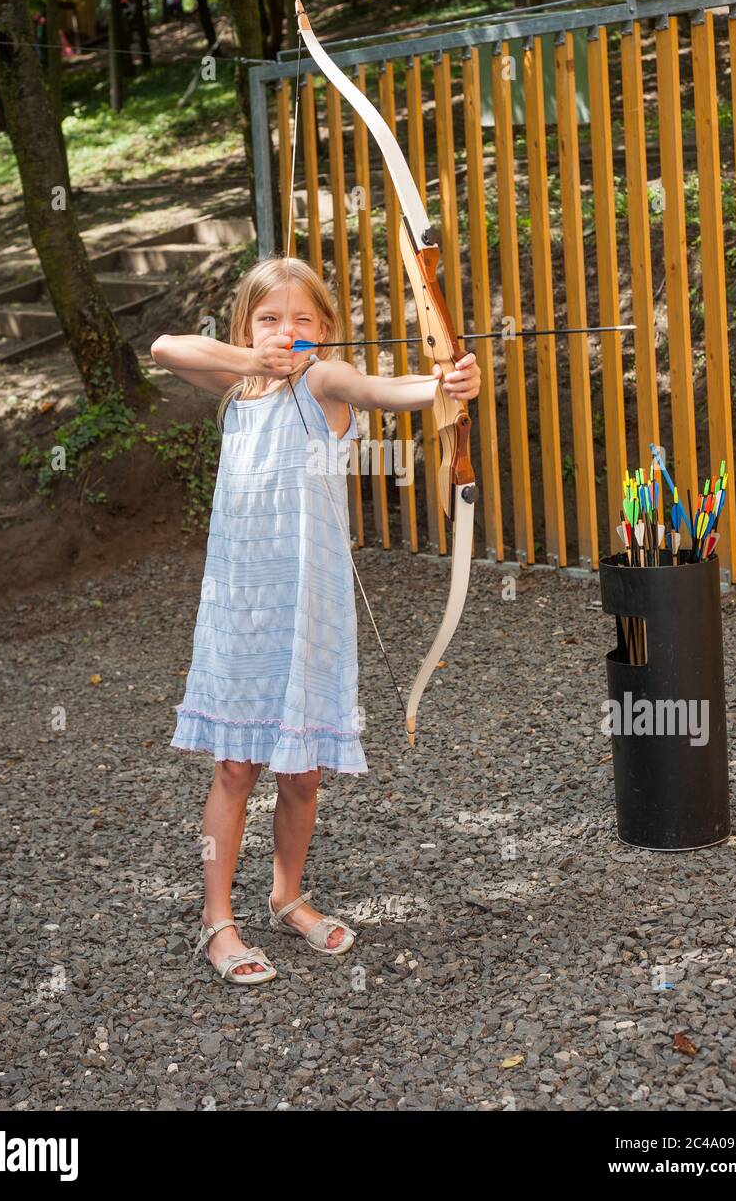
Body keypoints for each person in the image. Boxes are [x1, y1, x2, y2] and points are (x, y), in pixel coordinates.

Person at [150, 256, 480, 986]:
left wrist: (443, 385)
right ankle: (217, 921)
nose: (287, 331)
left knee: (300, 775)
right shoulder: (235, 381)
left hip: (311, 608)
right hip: (240, 606)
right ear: (246, 327)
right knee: (236, 765)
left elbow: (380, 388)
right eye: (270, 318)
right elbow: (165, 347)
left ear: (325, 332)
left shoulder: (324, 381)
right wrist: (253, 356)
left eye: (303, 320)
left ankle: (287, 894)